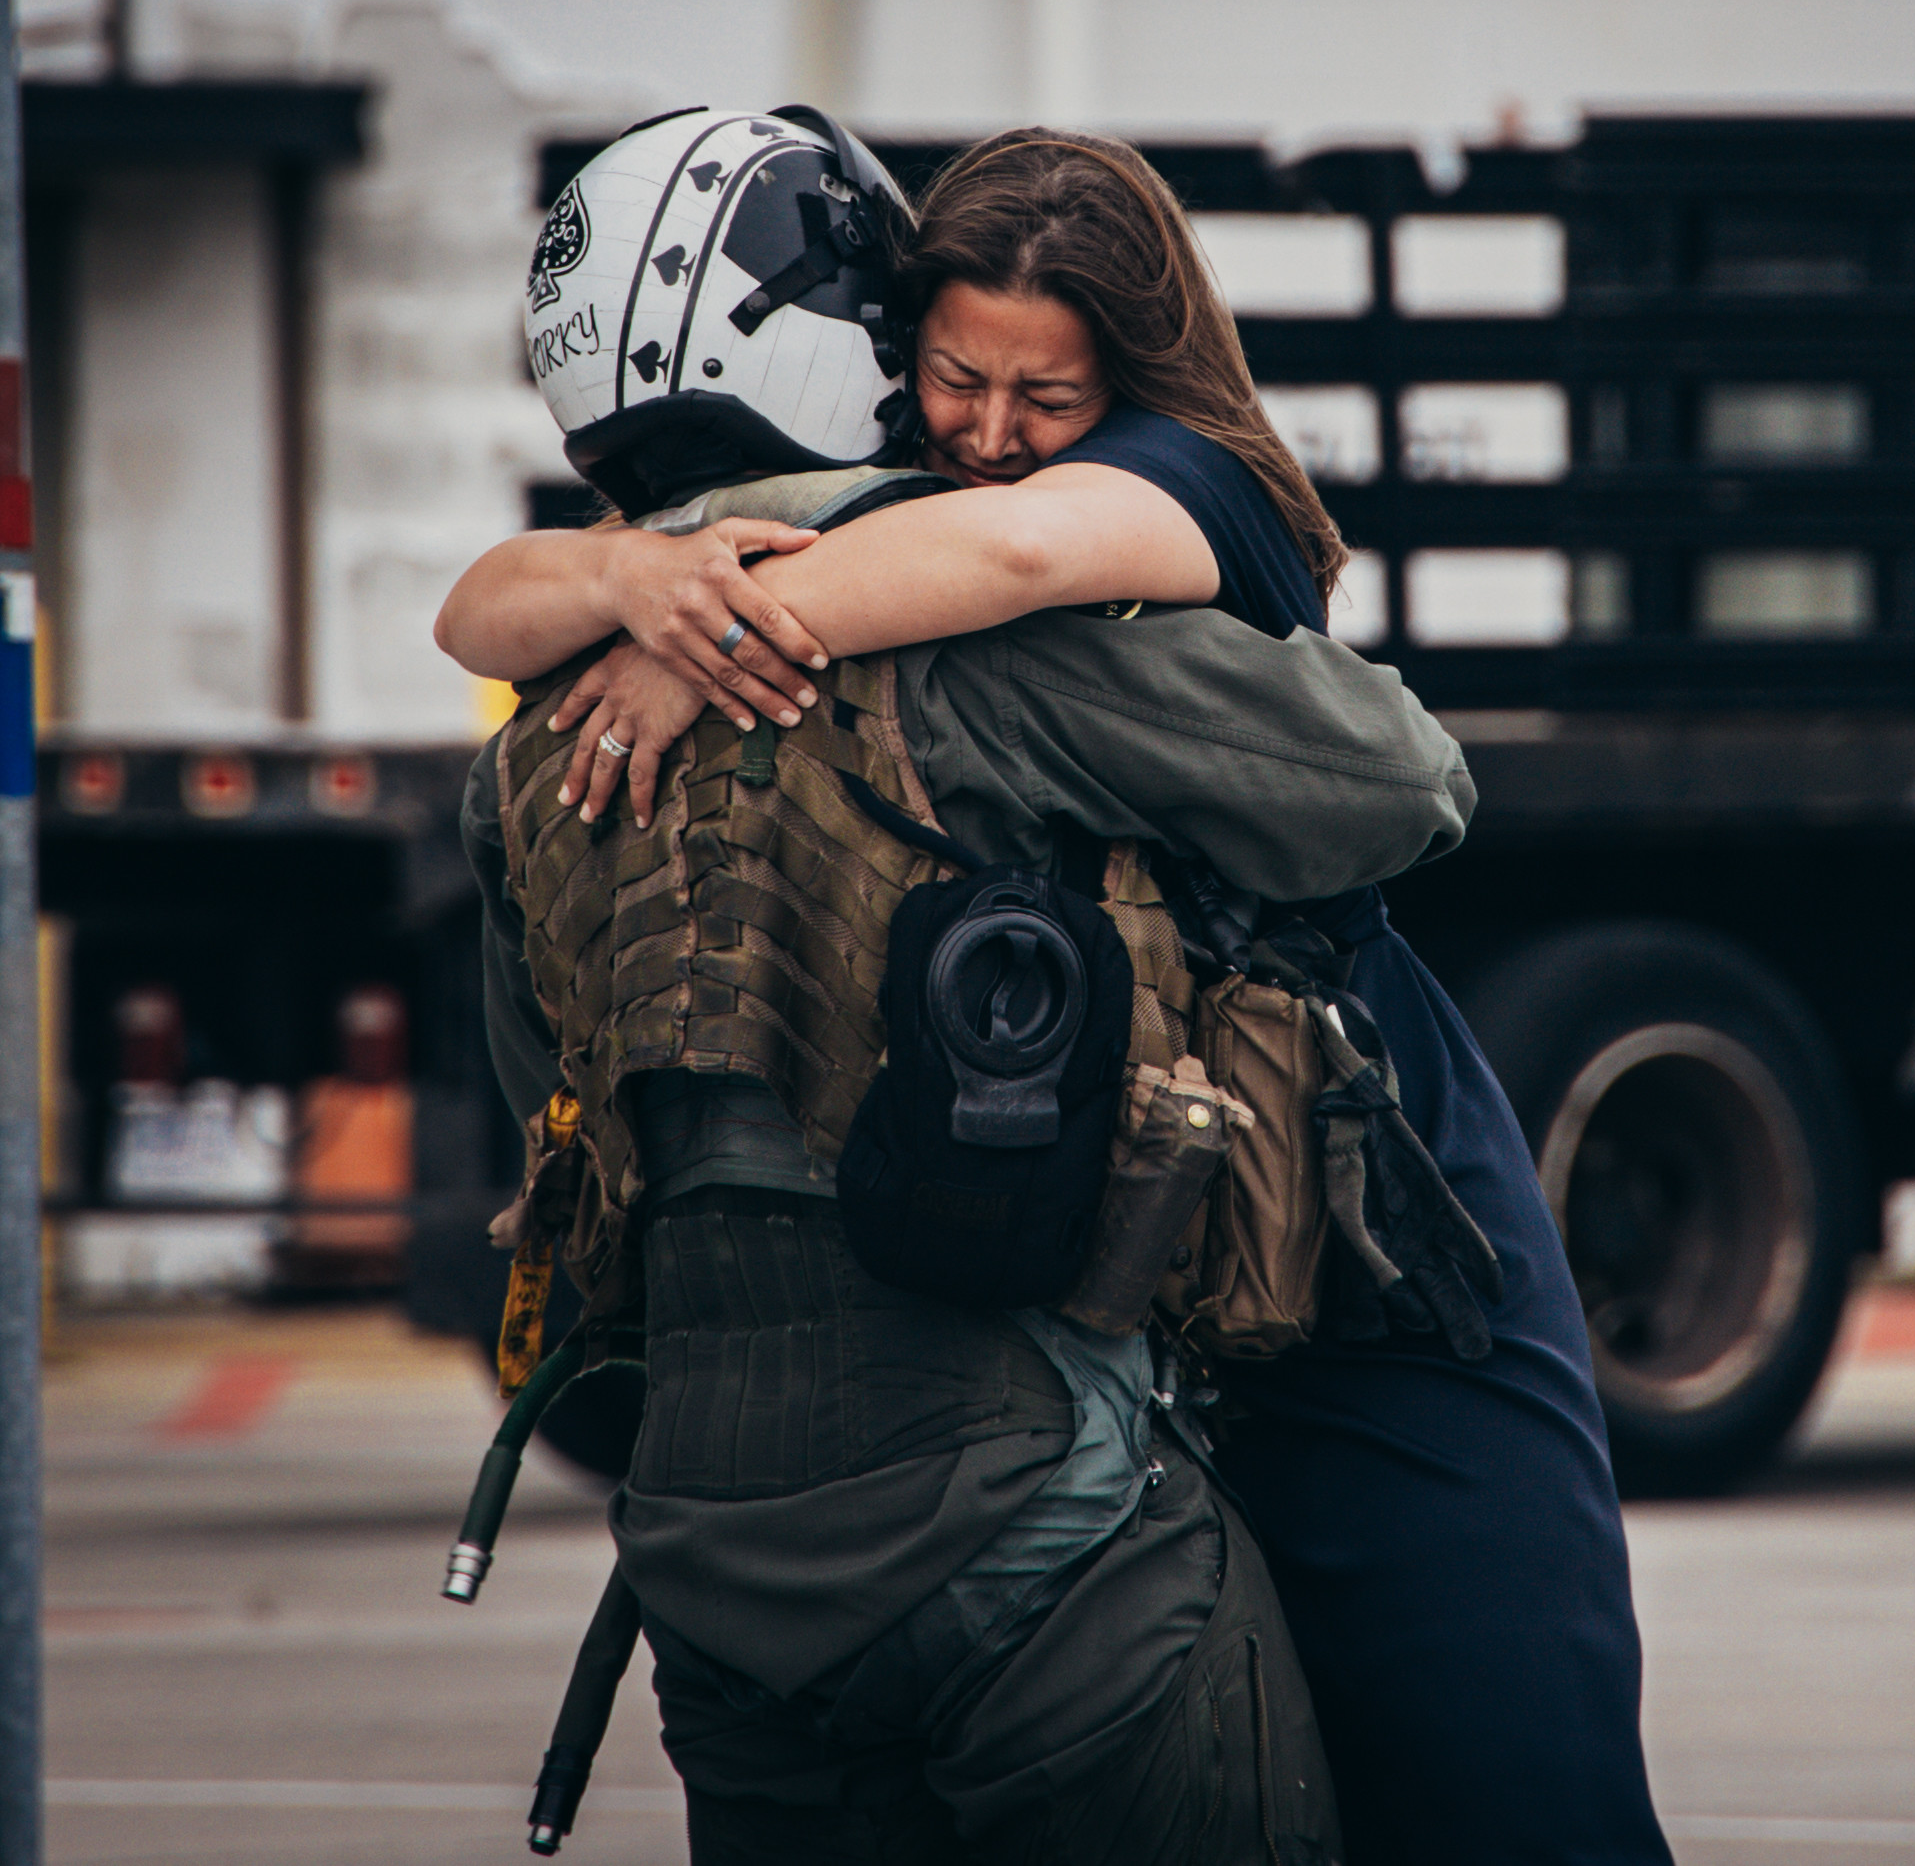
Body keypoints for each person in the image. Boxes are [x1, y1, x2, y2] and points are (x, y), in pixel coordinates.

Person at [444, 121, 1675, 1866]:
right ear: (875, 340)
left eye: (1045, 397)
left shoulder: (547, 747)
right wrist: (647, 588)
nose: (990, 435)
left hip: (803, 1534)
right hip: (1145, 1406)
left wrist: (673, 612)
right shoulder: (954, 653)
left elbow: (560, 1124)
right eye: (953, 377)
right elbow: (1398, 773)